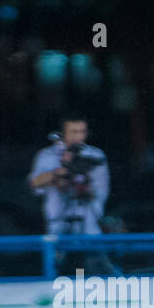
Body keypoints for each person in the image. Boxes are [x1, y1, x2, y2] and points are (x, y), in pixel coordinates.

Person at [28, 115, 113, 272]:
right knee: (57, 277)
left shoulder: (95, 155)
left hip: (89, 229)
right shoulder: (47, 155)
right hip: (58, 227)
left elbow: (101, 191)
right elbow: (35, 183)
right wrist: (59, 173)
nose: (77, 136)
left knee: (91, 277)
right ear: (63, 133)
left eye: (81, 132)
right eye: (73, 132)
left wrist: (81, 182)